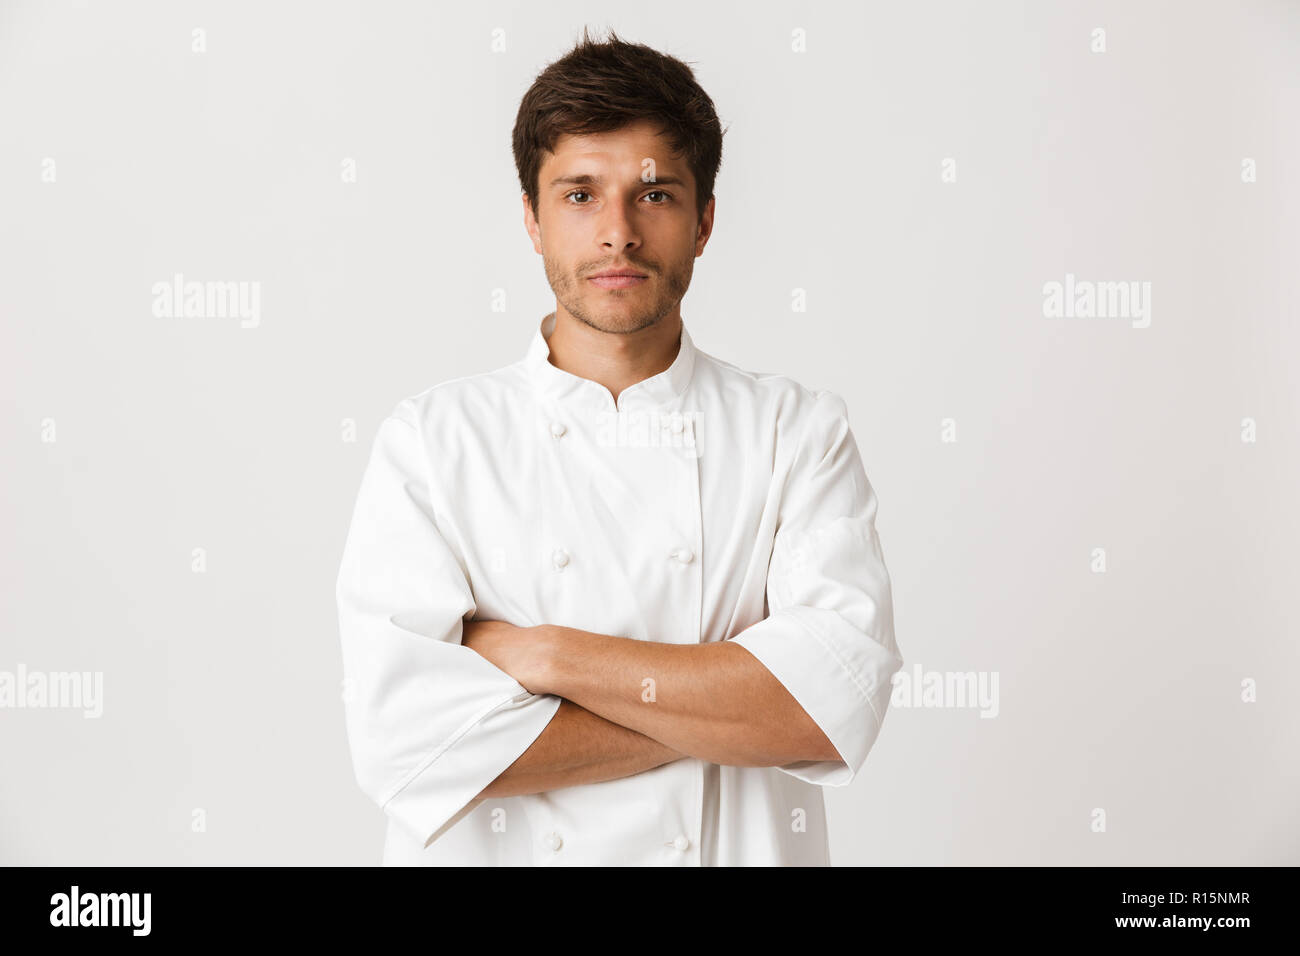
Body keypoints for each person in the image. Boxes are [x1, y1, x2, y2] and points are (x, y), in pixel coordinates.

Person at [336, 27, 903, 866]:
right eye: (578, 195)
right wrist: (730, 710)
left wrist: (542, 654)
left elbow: (826, 708)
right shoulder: (433, 443)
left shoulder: (795, 432)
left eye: (655, 194)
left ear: (704, 219)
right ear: (530, 218)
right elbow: (404, 743)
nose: (618, 233)